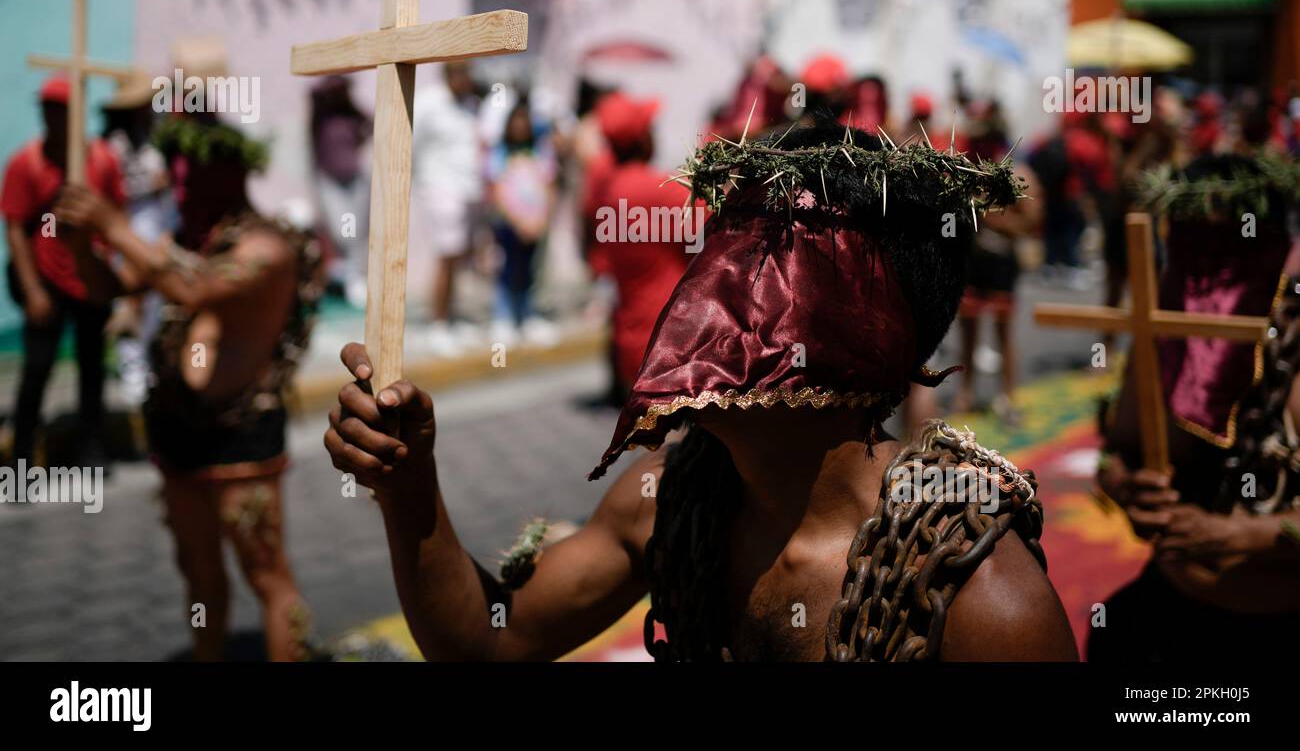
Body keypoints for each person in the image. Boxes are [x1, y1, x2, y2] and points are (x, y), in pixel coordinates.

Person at [324, 120, 1077, 661]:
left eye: (763, 277)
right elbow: (492, 637)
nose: (702, 310)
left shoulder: (983, 603)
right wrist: (407, 484)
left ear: (868, 335)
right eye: (716, 254)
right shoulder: (666, 502)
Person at [54, 116, 323, 661]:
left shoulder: (267, 248)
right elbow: (107, 286)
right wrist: (84, 245)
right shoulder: (179, 241)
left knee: (268, 576)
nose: (178, 188)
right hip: (179, 432)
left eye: (190, 176)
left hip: (242, 435)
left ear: (228, 174)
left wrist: (110, 220)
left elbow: (190, 285)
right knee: (199, 576)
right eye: (176, 175)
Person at [1089, 152, 1300, 661]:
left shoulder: (1293, 336)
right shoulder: (1163, 327)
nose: (1207, 278)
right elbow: (1111, 453)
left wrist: (1241, 534)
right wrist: (1129, 490)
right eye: (1191, 247)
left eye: (1228, 248)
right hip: (1171, 608)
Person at [2, 75, 125, 468]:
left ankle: (91, 449)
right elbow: (17, 228)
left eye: (60, 110)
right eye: (47, 109)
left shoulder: (101, 159)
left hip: (88, 279)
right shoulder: (27, 163)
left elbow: (115, 216)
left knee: (93, 366)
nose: (51, 118)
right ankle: (21, 457)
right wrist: (32, 288)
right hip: (46, 279)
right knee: (37, 369)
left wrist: (112, 273)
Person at [587, 93, 692, 400]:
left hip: (633, 336)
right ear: (642, 139)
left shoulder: (608, 184)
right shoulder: (654, 188)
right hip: (666, 341)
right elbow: (716, 214)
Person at [951, 100, 1041, 421]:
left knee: (1003, 331)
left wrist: (992, 220)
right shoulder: (964, 171)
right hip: (973, 261)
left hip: (1002, 262)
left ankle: (1007, 394)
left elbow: (1031, 220)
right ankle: (966, 391)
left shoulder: (1017, 173)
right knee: (968, 329)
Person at [101, 71, 176, 407]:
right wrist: (153, 185)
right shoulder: (114, 145)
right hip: (129, 221)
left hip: (155, 220)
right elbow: (116, 189)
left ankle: (145, 359)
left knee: (156, 294)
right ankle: (131, 362)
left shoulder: (152, 136)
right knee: (133, 294)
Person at [411, 62, 481, 354]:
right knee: (446, 255)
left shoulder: (472, 105)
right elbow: (412, 142)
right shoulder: (428, 103)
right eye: (460, 73)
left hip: (466, 191)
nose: (465, 79)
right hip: (438, 188)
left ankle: (450, 316)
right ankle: (438, 324)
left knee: (458, 259)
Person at [485, 94, 557, 344]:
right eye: (515, 121)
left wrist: (542, 219)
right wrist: (517, 222)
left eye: (523, 120)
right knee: (508, 269)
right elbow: (497, 190)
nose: (520, 126)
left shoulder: (540, 150)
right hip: (510, 225)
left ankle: (528, 314)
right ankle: (504, 317)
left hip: (534, 224)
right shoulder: (500, 152)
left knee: (531, 270)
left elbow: (549, 185)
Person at [308, 75, 371, 309]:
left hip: (355, 178)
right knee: (340, 230)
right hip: (329, 179)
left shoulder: (353, 114)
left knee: (358, 232)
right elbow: (313, 92)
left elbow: (373, 124)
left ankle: (355, 279)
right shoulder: (320, 116)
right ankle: (343, 274)